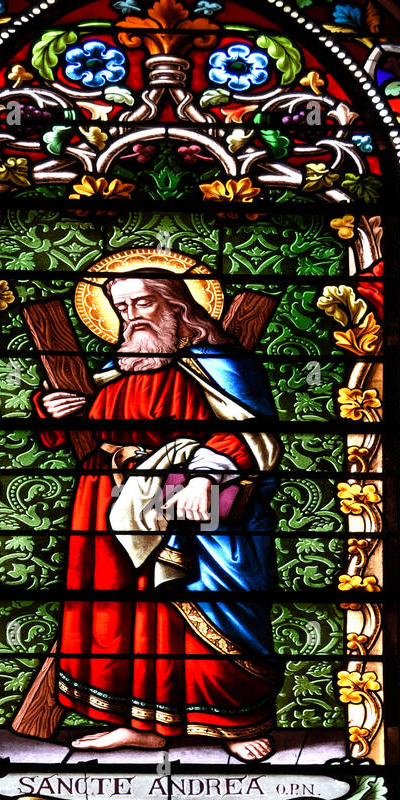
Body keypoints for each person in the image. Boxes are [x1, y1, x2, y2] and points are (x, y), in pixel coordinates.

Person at [35, 270, 282, 761]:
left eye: (142, 303)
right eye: (121, 308)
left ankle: (234, 721)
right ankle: (140, 724)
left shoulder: (219, 364)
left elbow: (256, 437)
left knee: (204, 607)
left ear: (177, 307)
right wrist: (54, 411)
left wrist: (205, 475)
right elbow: (85, 434)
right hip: (110, 504)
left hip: (191, 507)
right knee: (123, 620)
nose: (130, 317)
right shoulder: (118, 370)